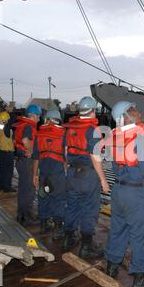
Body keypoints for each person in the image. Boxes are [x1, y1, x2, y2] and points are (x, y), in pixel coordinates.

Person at [105, 101, 144, 287]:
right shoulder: (142, 139)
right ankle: (140, 280)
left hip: (119, 191)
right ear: (127, 117)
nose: (138, 112)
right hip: (137, 194)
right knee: (140, 236)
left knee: (118, 230)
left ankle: (112, 267)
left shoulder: (114, 136)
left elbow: (115, 167)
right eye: (133, 110)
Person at [63, 96, 109, 257]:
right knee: (89, 209)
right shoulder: (93, 131)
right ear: (93, 111)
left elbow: (65, 152)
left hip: (72, 174)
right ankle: (86, 246)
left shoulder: (70, 128)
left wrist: (67, 172)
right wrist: (103, 180)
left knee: (72, 206)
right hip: (88, 176)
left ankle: (68, 238)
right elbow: (95, 157)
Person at [33, 109, 67, 238]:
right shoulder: (63, 134)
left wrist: (34, 175)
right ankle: (58, 230)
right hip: (57, 174)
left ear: (46, 119)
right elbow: (66, 157)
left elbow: (36, 157)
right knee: (58, 200)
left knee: (43, 198)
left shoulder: (39, 134)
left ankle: (44, 225)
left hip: (43, 173)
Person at [13, 104, 42, 227]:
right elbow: (25, 140)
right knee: (29, 189)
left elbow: (16, 141)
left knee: (23, 189)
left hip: (20, 160)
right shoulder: (29, 127)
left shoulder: (21, 125)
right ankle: (26, 217)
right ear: (33, 115)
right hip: (26, 162)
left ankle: (21, 215)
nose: (39, 119)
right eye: (38, 116)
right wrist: (31, 151)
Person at [0, 109, 16, 192]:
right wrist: (11, 111)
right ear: (6, 119)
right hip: (7, 152)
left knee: (1, 170)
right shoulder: (5, 128)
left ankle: (0, 186)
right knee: (8, 171)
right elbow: (13, 119)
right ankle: (7, 187)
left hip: (0, 150)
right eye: (8, 119)